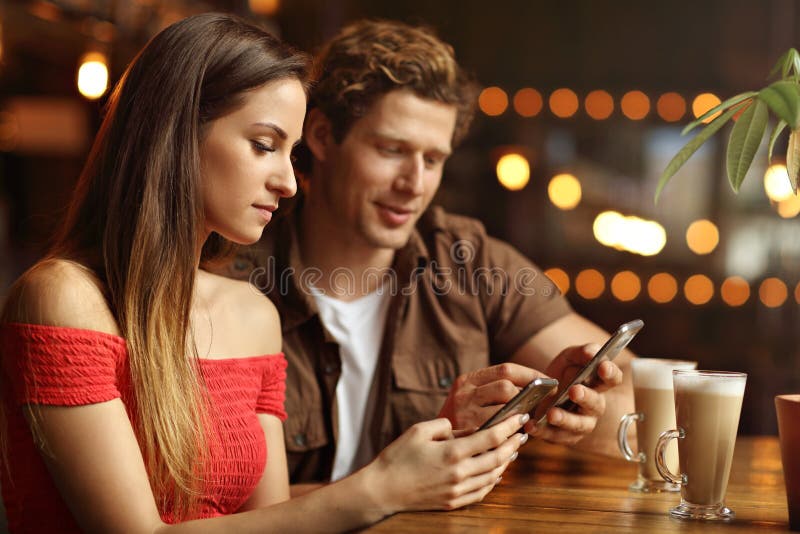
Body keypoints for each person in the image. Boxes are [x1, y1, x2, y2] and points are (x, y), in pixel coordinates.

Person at [0, 13, 529, 533]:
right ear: (177, 132)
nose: (288, 181)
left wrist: (421, 465)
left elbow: (275, 523)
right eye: (263, 145)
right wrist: (380, 487)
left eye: (291, 152)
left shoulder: (252, 314)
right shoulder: (62, 299)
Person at [224, 19, 634, 487]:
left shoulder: (469, 260)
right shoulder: (233, 274)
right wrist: (404, 476)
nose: (414, 185)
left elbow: (628, 387)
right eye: (392, 150)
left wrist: (572, 411)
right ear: (320, 136)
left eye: (433, 159)